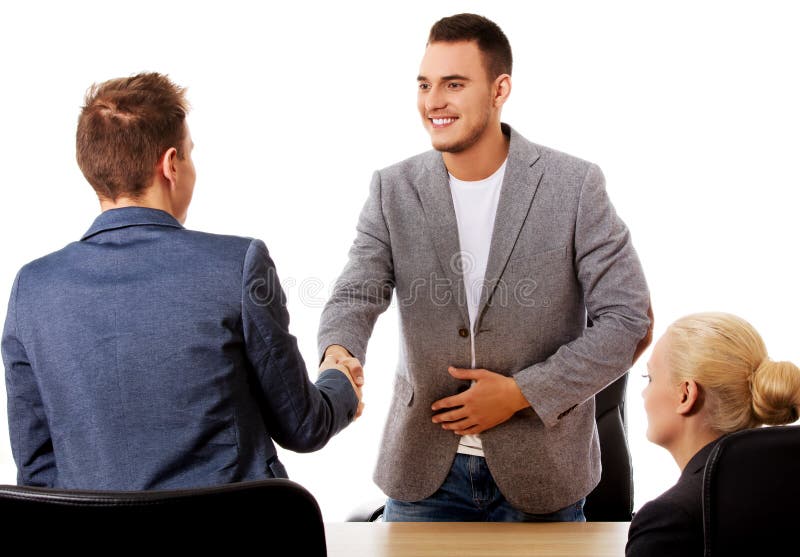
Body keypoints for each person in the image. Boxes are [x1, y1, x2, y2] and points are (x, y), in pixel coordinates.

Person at [318, 13, 653, 522]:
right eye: (425, 84)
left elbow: (630, 320)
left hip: (543, 473)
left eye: (454, 84)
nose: (434, 101)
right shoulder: (393, 188)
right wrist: (338, 353)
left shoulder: (574, 185)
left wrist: (522, 393)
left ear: (500, 90)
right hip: (423, 474)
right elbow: (355, 293)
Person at [1, 72, 362, 490]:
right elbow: (302, 424)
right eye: (190, 154)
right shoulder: (238, 264)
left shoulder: (33, 288)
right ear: (171, 164)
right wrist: (341, 382)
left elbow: (36, 472)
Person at [626, 312, 800, 556]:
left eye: (650, 378)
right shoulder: (786, 494)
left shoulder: (668, 520)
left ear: (686, 395)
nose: (644, 394)